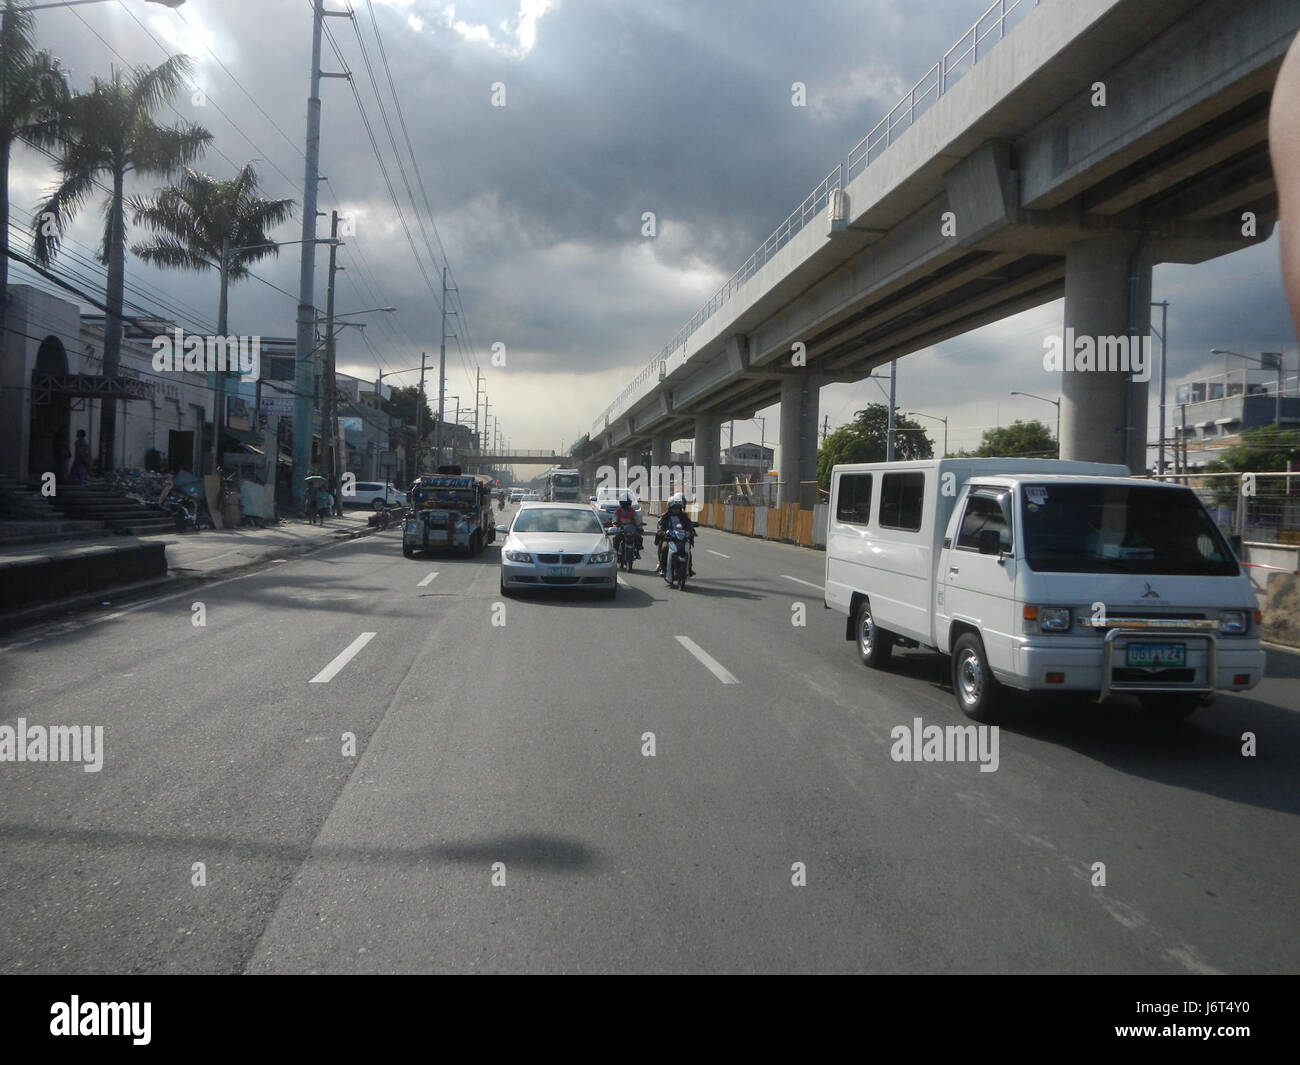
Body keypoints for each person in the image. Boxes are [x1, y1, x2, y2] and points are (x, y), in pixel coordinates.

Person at [655, 492, 697, 577]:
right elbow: (660, 527)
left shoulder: (684, 517)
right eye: (674, 508)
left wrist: (691, 532)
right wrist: (663, 532)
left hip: (681, 538)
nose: (676, 510)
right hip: (669, 539)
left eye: (678, 508)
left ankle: (689, 567)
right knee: (664, 548)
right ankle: (663, 568)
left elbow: (689, 525)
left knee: (687, 550)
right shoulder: (665, 517)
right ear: (669, 508)